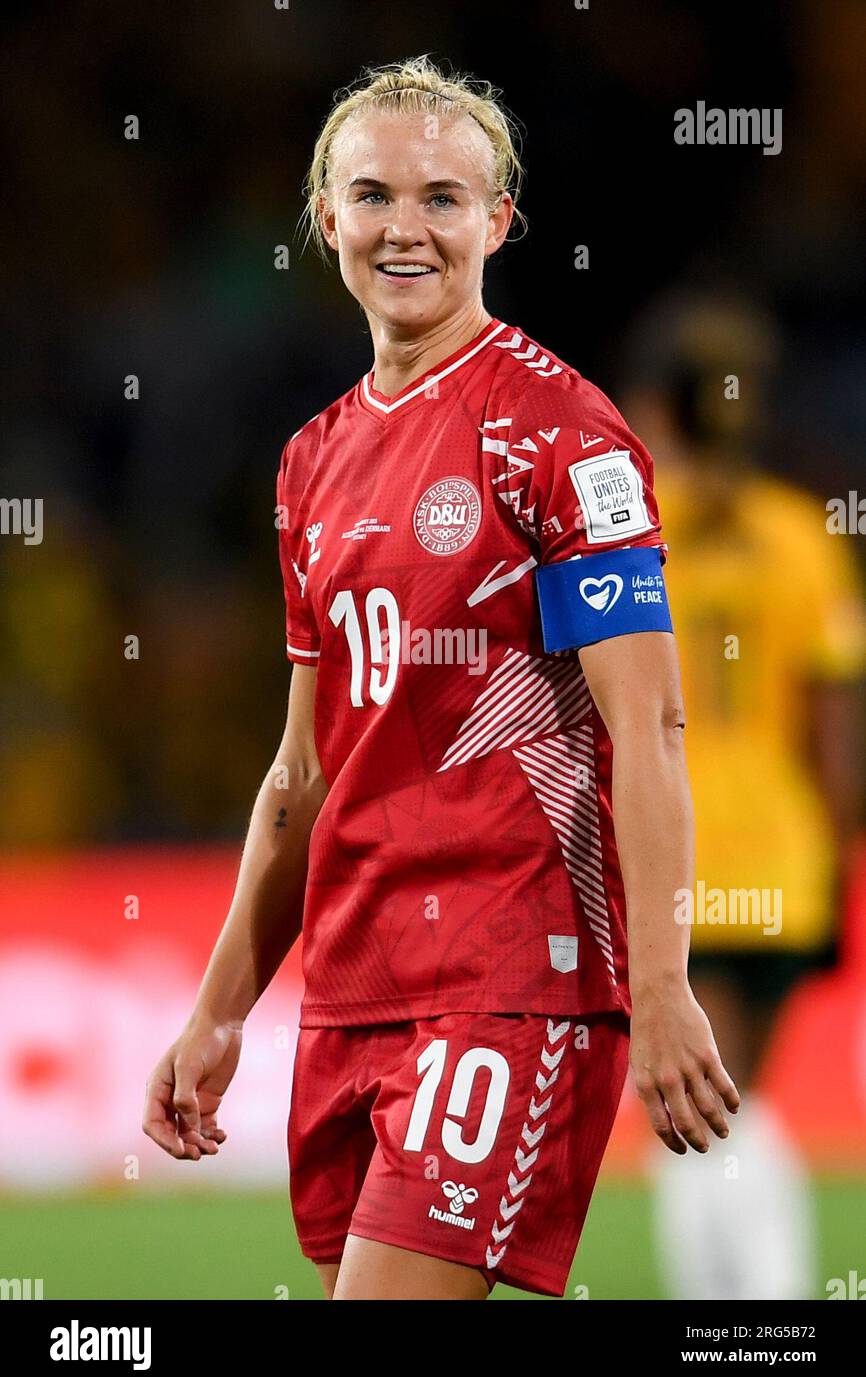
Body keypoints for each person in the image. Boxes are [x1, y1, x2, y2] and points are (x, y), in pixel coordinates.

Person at [142, 55, 739, 1302]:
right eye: (371, 195)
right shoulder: (309, 463)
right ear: (324, 220)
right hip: (355, 981)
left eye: (441, 199)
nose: (403, 228)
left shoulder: (562, 438)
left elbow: (654, 725)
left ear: (497, 222)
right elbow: (303, 770)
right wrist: (217, 1009)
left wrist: (664, 978)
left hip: (510, 976)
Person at [620, 290, 866, 1298]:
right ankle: (766, 1317)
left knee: (688, 1109)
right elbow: (837, 736)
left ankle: (744, 1317)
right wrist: (832, 850)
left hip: (673, 857)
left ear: (654, 409)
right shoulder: (800, 536)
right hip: (785, 854)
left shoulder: (627, 536)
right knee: (740, 1100)